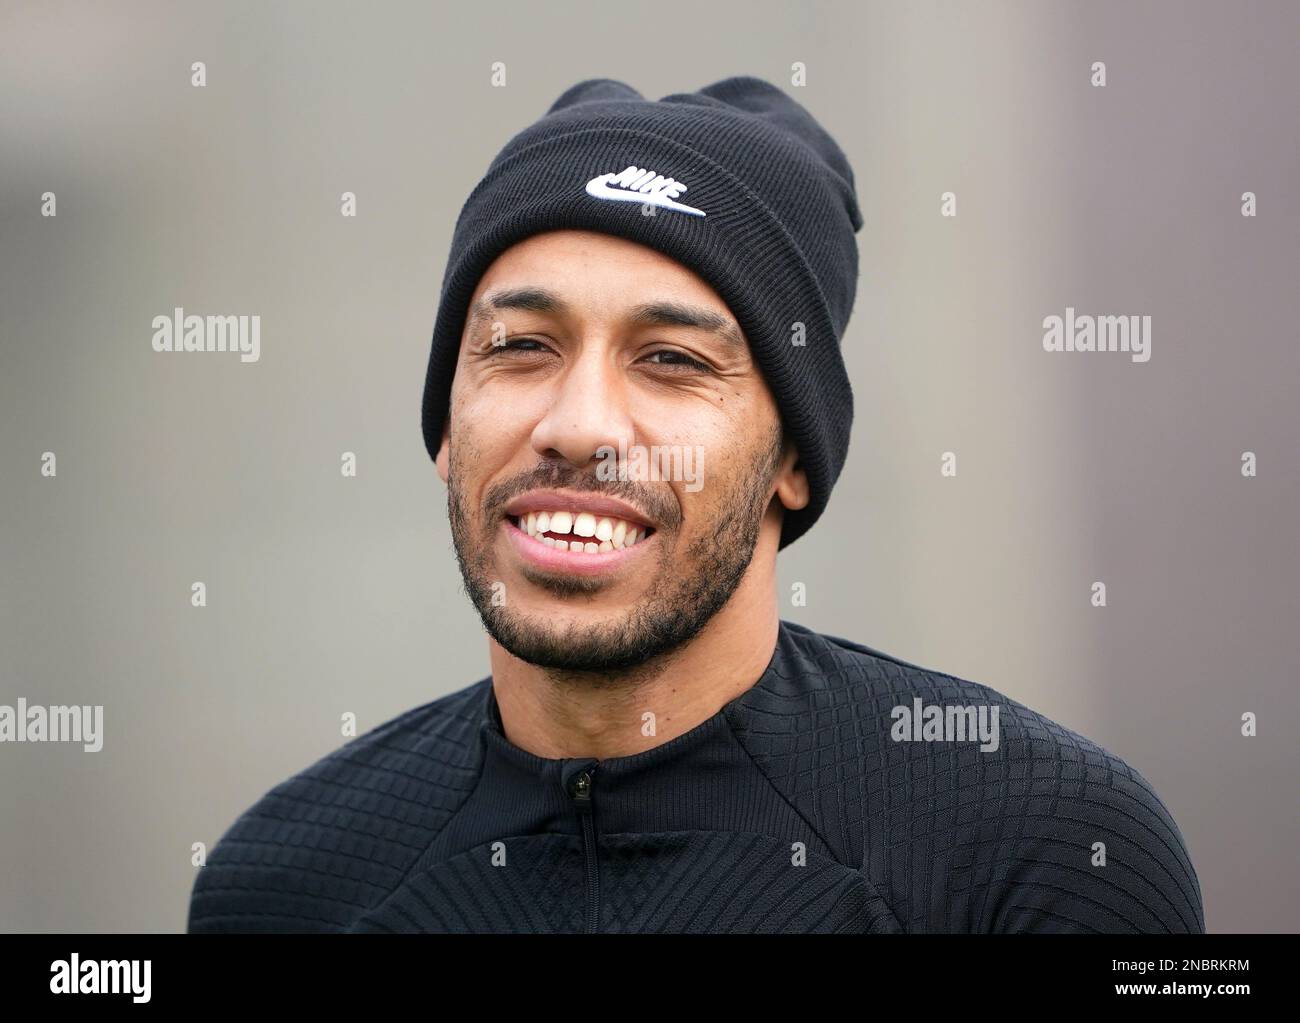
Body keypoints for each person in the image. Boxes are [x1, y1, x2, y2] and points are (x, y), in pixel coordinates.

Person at [188, 76, 1204, 933]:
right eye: (520, 347)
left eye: (670, 361)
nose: (578, 426)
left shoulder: (1042, 854)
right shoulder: (286, 884)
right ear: (447, 429)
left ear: (790, 462)